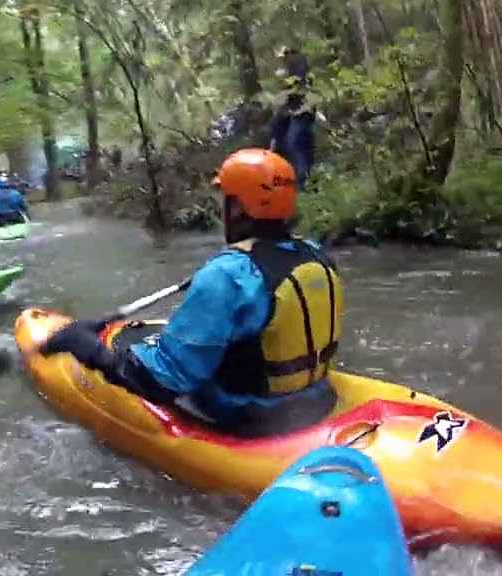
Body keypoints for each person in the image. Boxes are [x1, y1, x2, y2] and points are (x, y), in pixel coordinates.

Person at [20, 149, 343, 439]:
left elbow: (160, 381)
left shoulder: (228, 275)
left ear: (239, 210)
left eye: (226, 201)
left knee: (132, 353)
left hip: (252, 417)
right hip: (317, 400)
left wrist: (88, 348)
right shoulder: (315, 254)